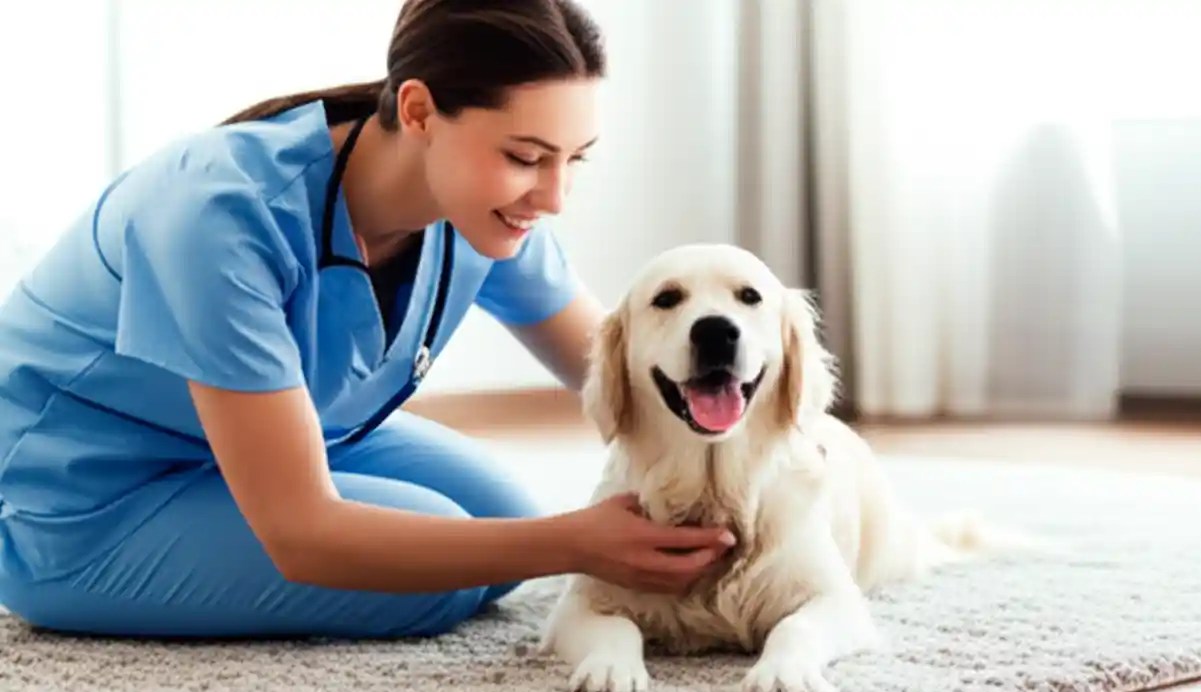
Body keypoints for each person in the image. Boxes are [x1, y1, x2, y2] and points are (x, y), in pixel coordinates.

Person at [0, 0, 735, 639]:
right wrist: (573, 546)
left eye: (576, 160)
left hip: (263, 442)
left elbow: (625, 379)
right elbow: (302, 537)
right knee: (444, 574)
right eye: (527, 157)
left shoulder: (483, 210)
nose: (554, 198)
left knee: (502, 513)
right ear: (417, 111)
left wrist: (793, 457)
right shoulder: (217, 214)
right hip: (81, 500)